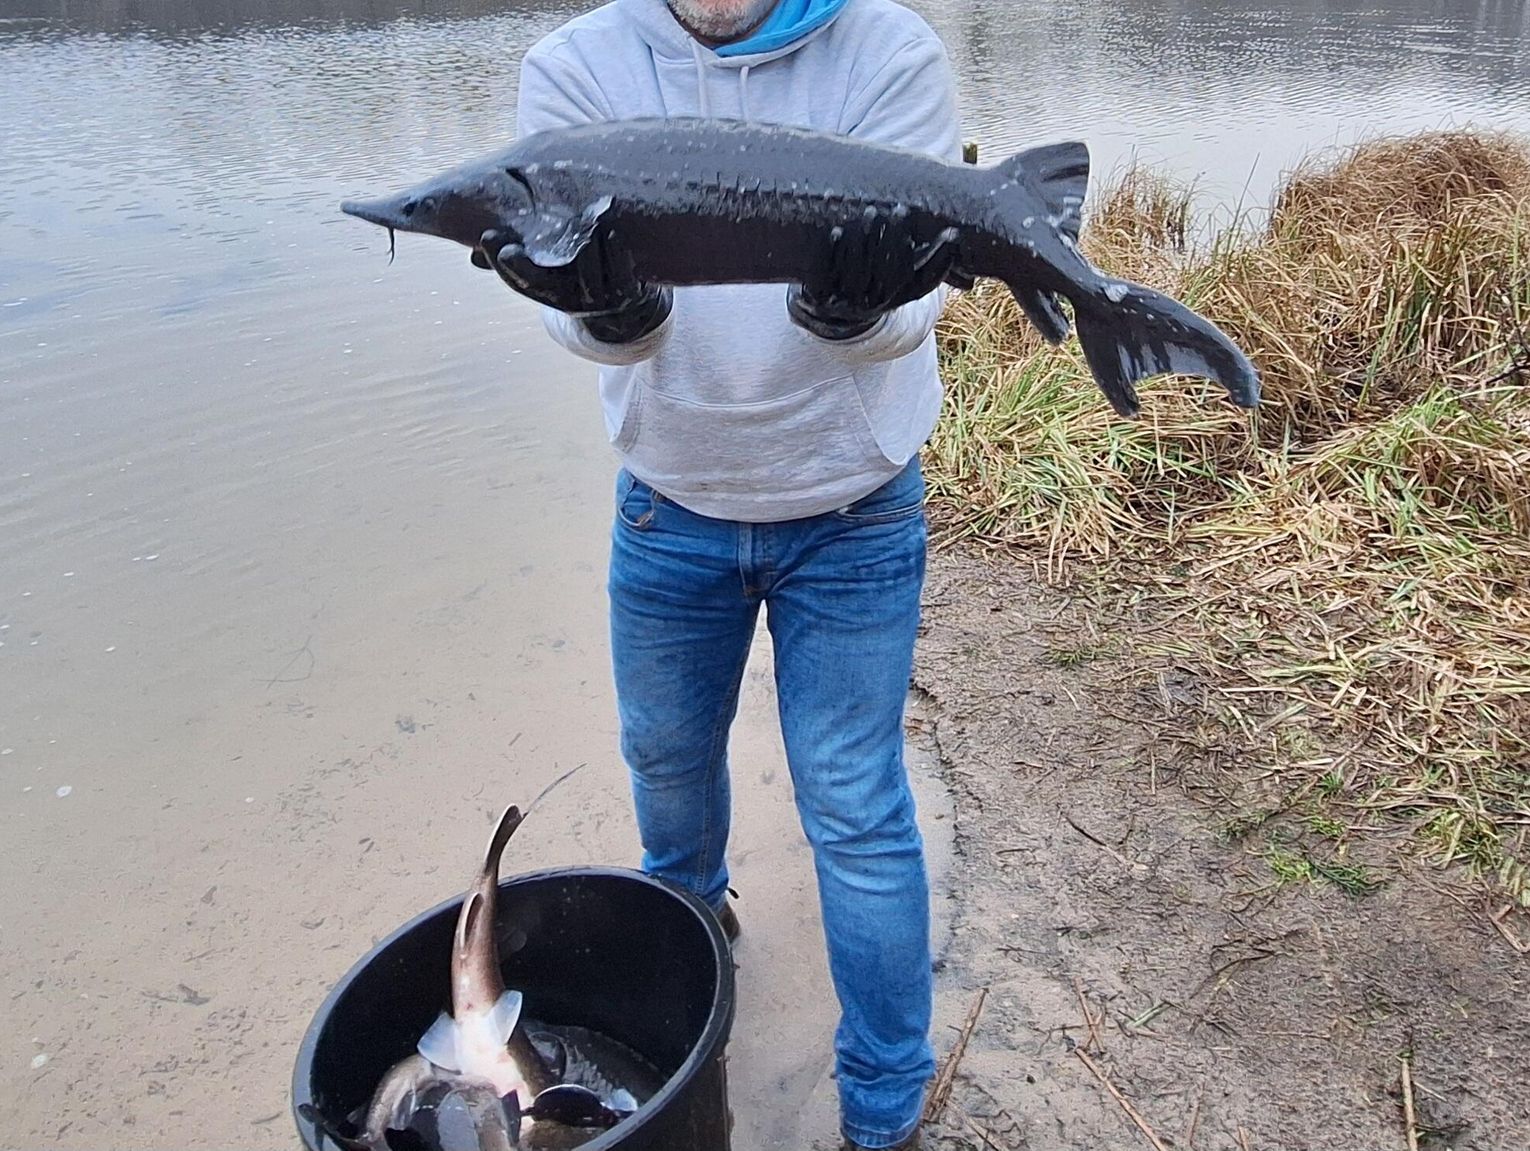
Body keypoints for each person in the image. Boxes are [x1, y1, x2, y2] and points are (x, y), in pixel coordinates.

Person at [482, 1, 964, 1147]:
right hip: (671, 503)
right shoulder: (574, 68)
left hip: (850, 505)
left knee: (855, 807)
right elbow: (578, 325)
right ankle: (691, 954)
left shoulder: (889, 52)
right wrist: (609, 311)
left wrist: (860, 310)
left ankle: (888, 1103)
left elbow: (932, 289)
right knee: (665, 768)